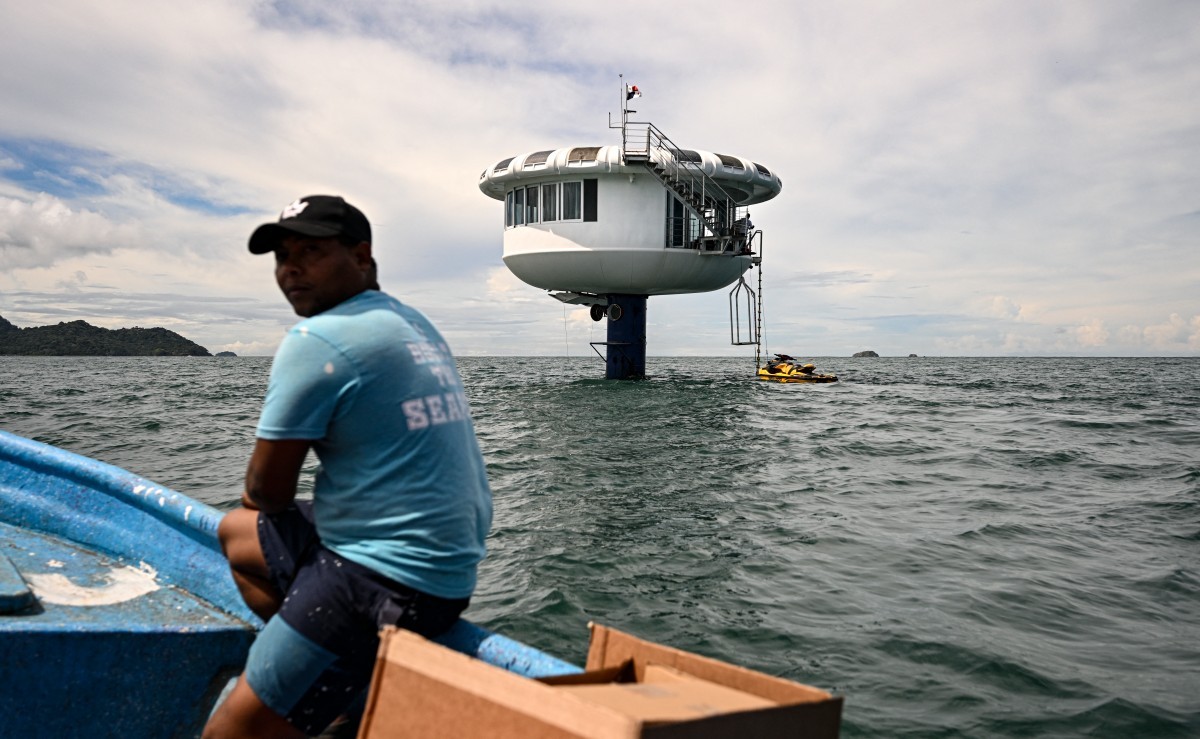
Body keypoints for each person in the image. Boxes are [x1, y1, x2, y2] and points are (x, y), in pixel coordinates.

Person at [203, 195, 493, 738]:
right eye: (282, 255)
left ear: (362, 256)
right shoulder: (413, 322)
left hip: (383, 581)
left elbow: (266, 491)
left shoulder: (318, 340)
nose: (290, 269)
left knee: (225, 734)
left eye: (310, 252)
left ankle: (320, 673)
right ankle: (334, 679)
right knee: (234, 534)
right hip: (451, 573)